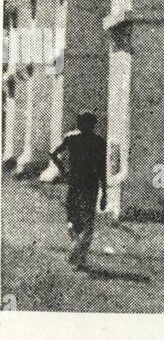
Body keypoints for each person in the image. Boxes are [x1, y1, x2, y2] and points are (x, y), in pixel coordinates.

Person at [49, 111, 107, 270]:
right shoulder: (98, 141)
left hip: (76, 182)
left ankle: (76, 247)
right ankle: (80, 253)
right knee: (87, 220)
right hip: (90, 184)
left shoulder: (71, 138)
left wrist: (63, 170)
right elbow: (102, 169)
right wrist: (105, 193)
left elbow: (54, 154)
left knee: (73, 218)